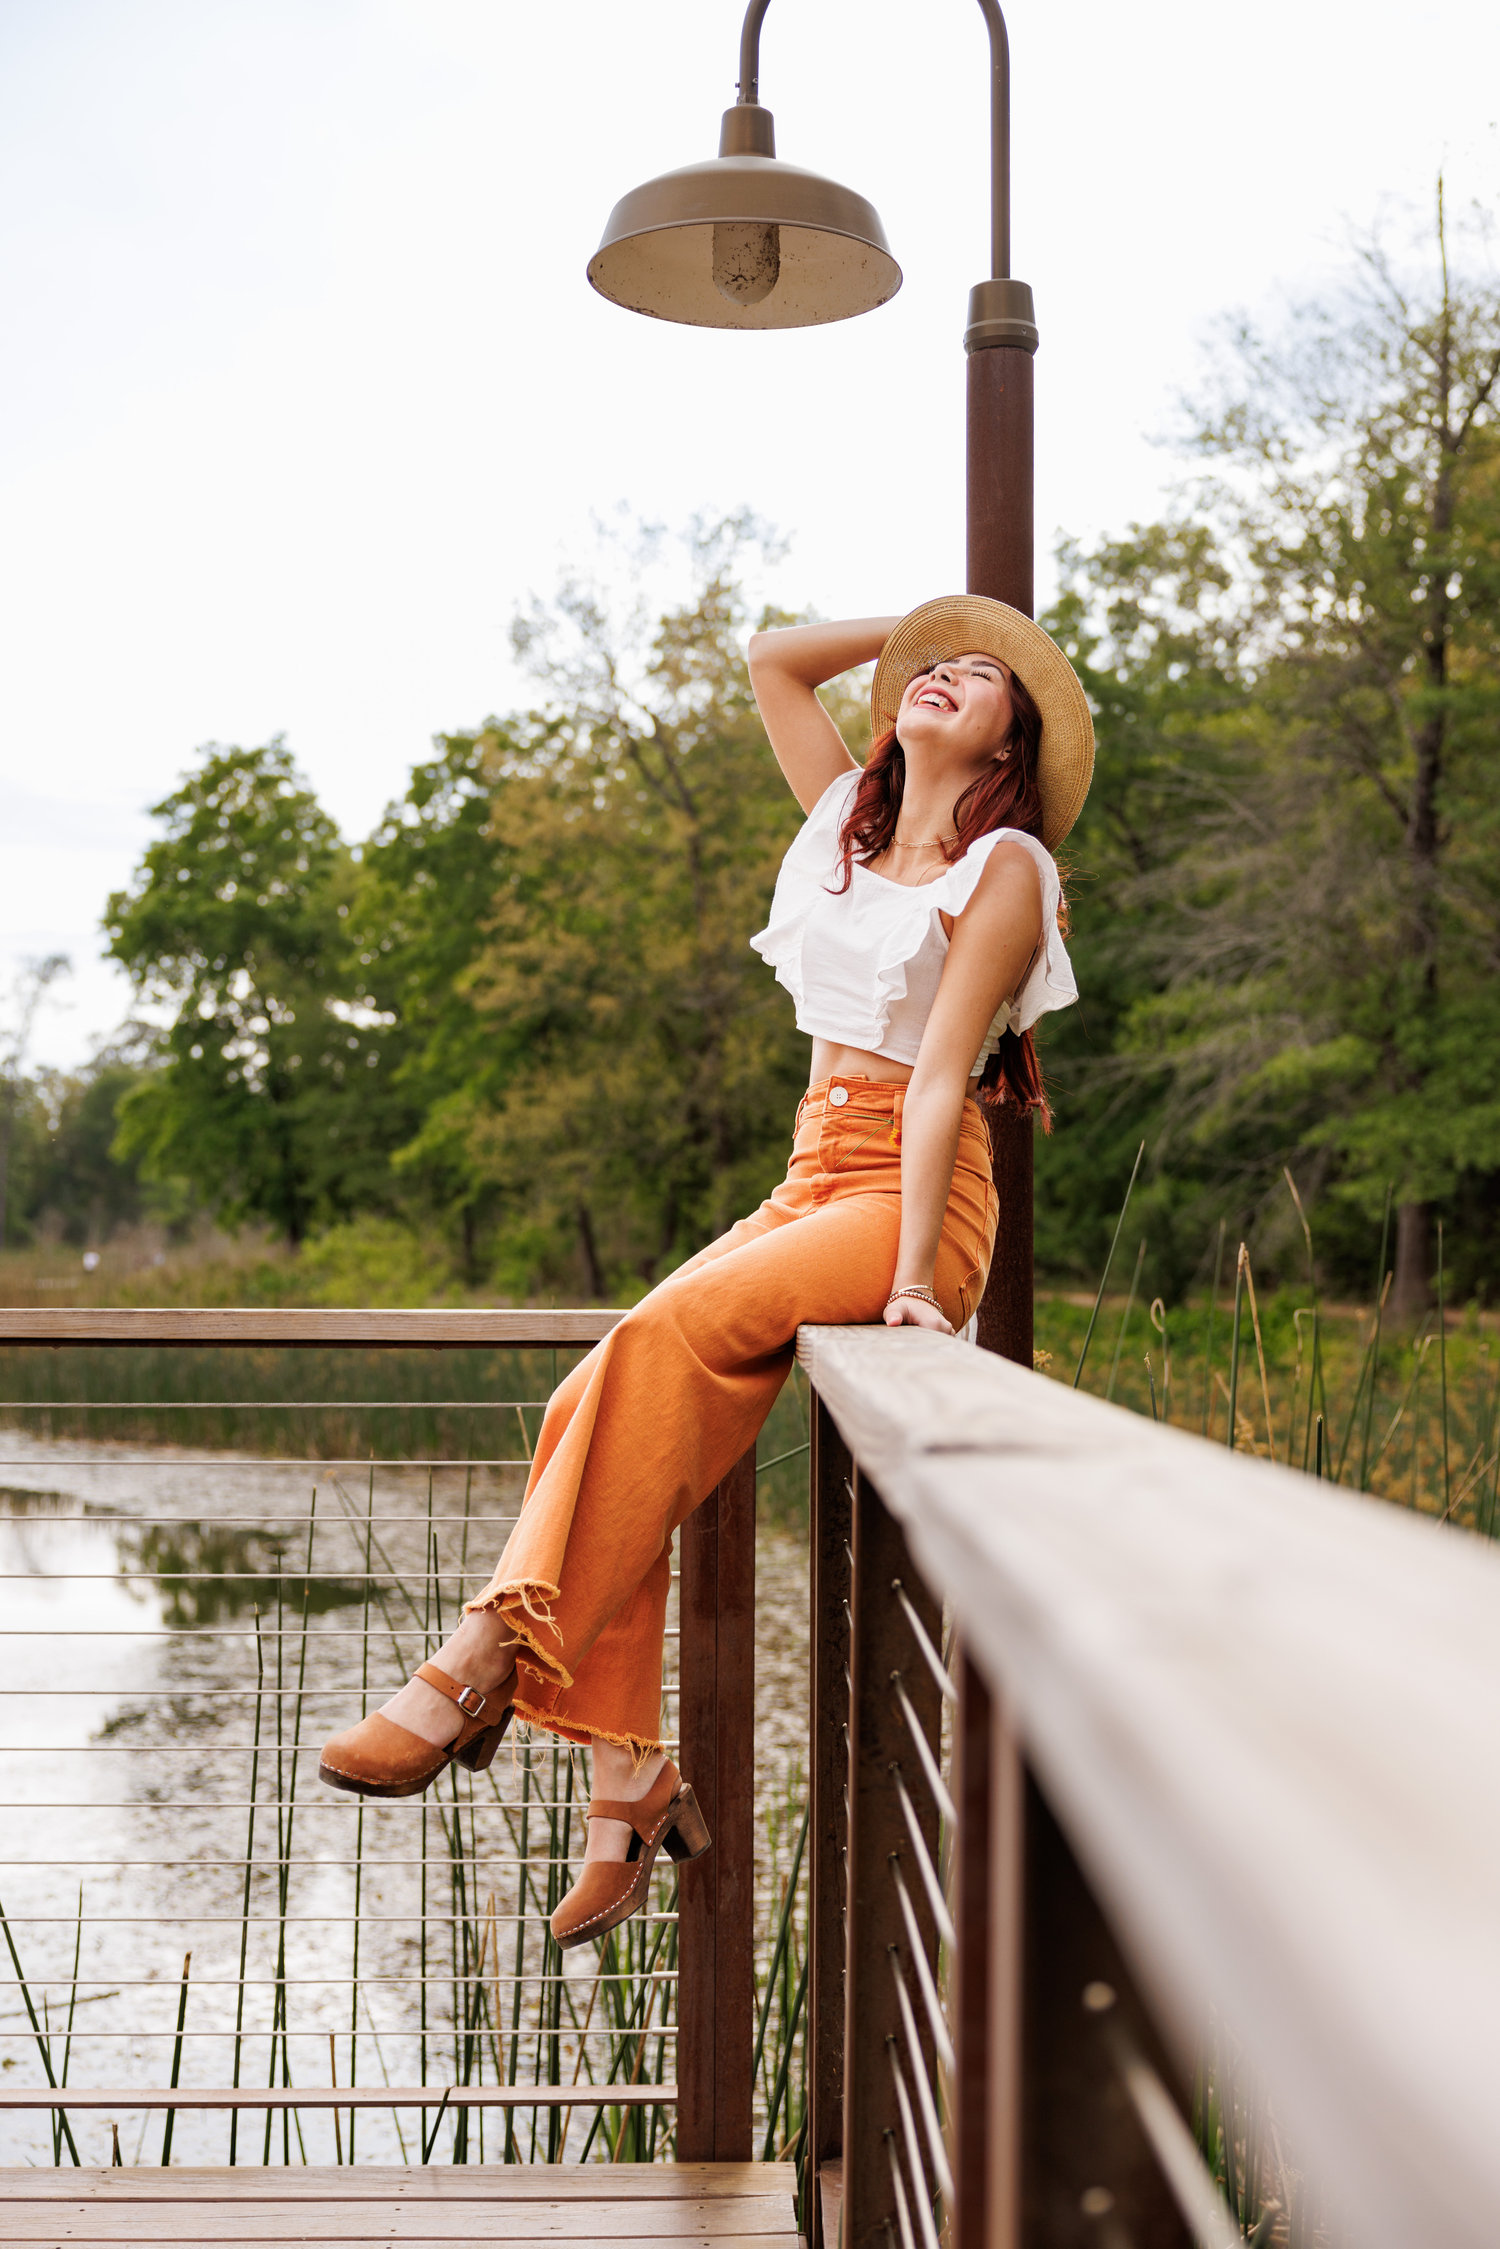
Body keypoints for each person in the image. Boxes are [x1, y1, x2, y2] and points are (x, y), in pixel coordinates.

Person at [319, 594, 1093, 1949]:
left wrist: (917, 1278)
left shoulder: (1008, 866)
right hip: (809, 1175)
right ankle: (628, 1775)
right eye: (934, 667)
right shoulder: (845, 824)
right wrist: (923, 616)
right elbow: (772, 659)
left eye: (982, 681)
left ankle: (478, 1662)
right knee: (591, 1390)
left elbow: (933, 1083)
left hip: (910, 1188)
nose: (945, 676)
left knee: (662, 1336)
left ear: (1010, 749)